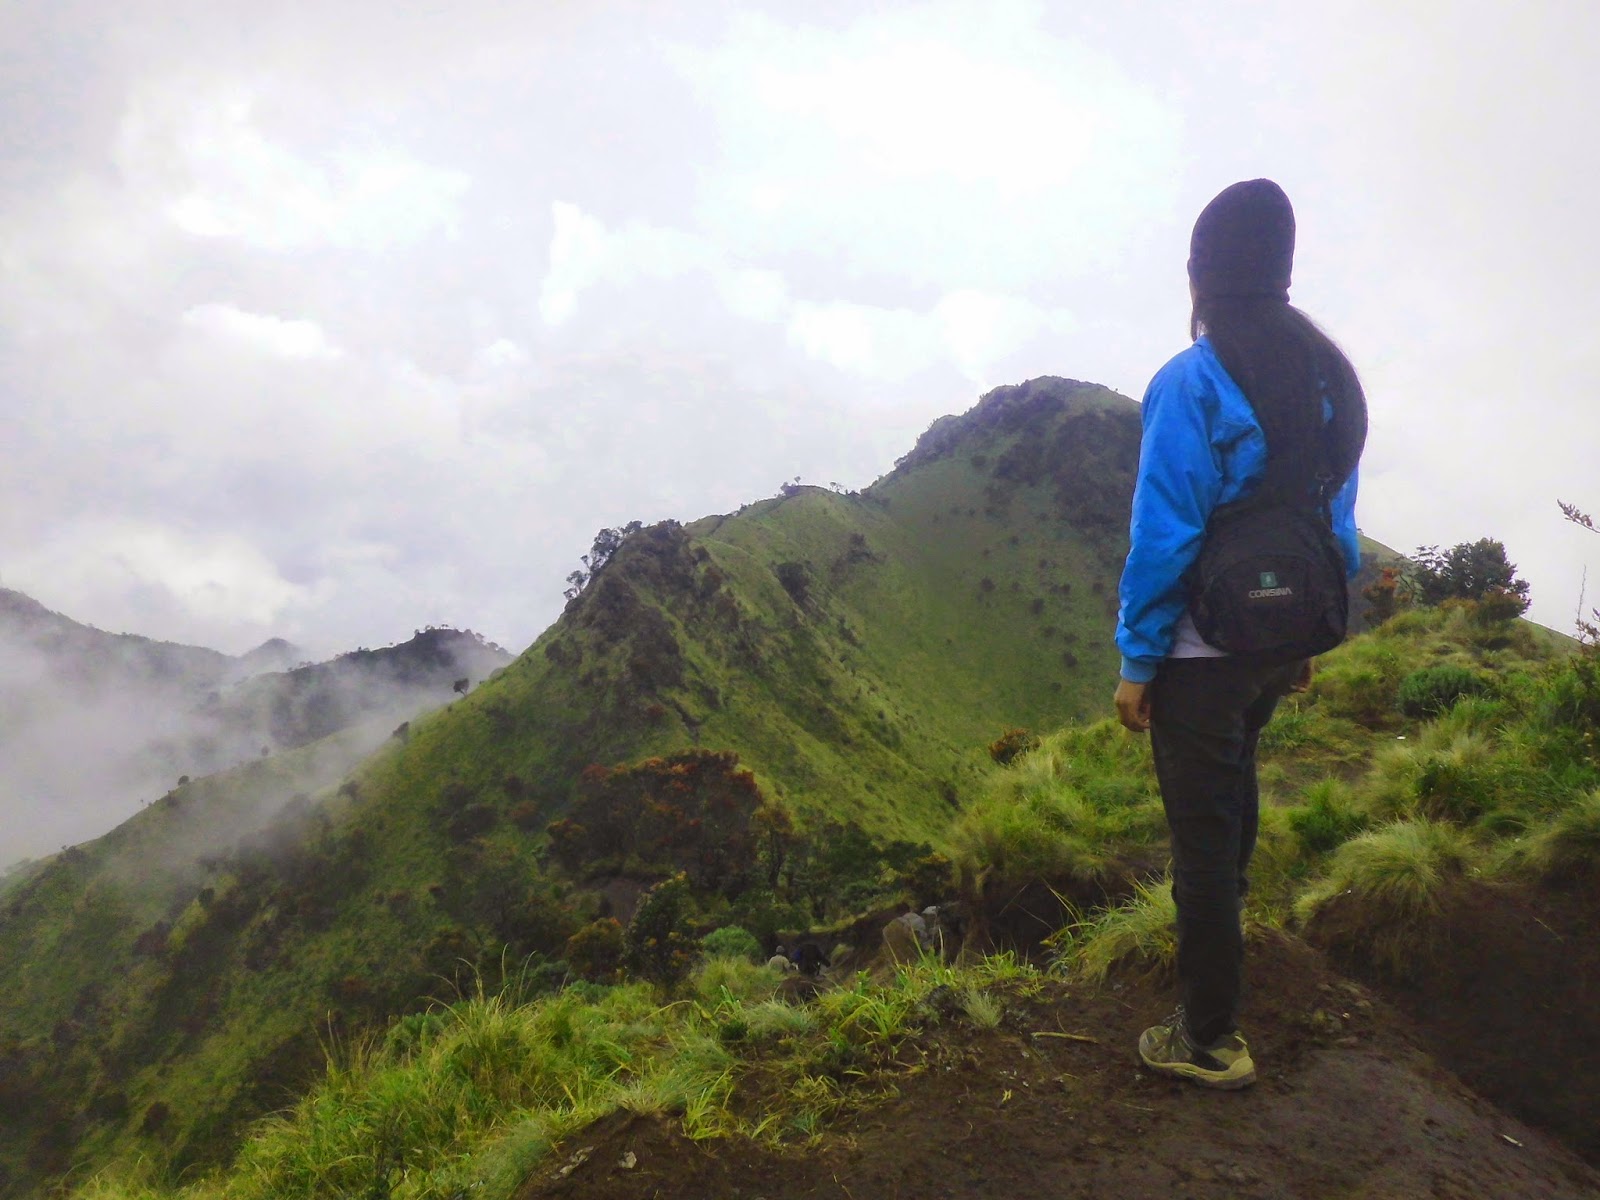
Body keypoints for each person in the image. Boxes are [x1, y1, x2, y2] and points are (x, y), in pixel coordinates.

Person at [1113, 179, 1367, 1089]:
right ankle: (1224, 972)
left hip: (1201, 654)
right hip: (1276, 644)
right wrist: (1302, 638)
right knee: (1234, 811)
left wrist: (1139, 658)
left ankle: (1209, 1039)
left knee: (1201, 845)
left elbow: (1166, 532)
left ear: (1206, 276)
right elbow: (1336, 523)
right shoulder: (1330, 376)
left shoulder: (1194, 379)